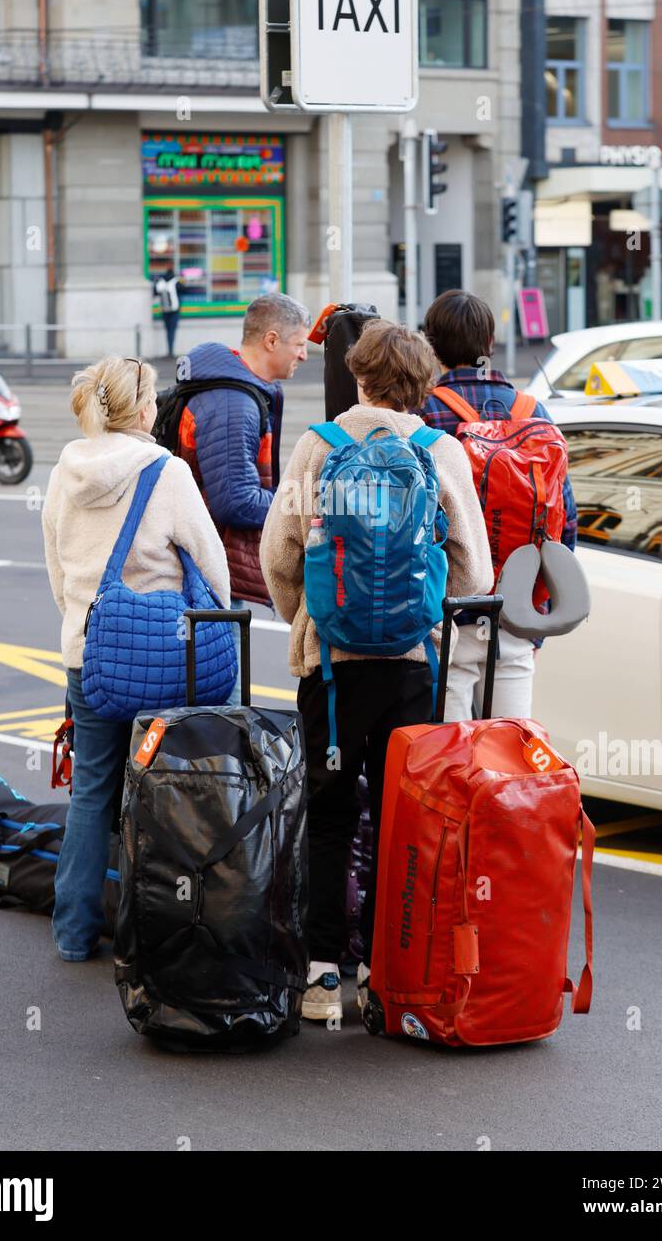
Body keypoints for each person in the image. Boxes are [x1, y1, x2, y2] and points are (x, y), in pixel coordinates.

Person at [261, 320, 492, 1025]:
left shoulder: (319, 445)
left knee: (328, 814)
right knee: (399, 820)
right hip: (410, 669)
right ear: (422, 386)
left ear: (358, 376)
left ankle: (322, 975)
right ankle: (388, 974)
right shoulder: (440, 451)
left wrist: (310, 617)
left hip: (331, 671)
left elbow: (280, 553)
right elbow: (474, 570)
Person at [42, 356, 230, 962]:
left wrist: (82, 624)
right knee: (162, 792)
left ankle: (74, 933)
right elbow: (212, 566)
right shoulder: (166, 471)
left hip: (88, 655)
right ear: (145, 409)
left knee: (91, 791)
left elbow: (56, 566)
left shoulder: (65, 470)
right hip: (162, 659)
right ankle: (152, 934)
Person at [420, 289, 579, 721]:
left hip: (448, 616)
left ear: (432, 347)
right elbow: (564, 521)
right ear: (490, 343)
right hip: (515, 612)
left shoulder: (425, 413)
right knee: (509, 747)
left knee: (451, 752)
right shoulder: (533, 411)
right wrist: (536, 619)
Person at [175, 293, 310, 701]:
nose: (304, 355)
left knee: (214, 700)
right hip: (216, 572)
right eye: (299, 344)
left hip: (213, 566)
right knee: (224, 708)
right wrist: (299, 503)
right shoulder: (235, 405)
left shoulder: (240, 392)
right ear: (271, 340)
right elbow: (235, 501)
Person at [154, 266, 182, 358]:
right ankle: (171, 351)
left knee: (168, 331)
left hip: (165, 311)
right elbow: (184, 290)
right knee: (172, 331)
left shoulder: (161, 282)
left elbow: (155, 292)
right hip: (174, 311)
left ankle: (170, 351)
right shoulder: (176, 281)